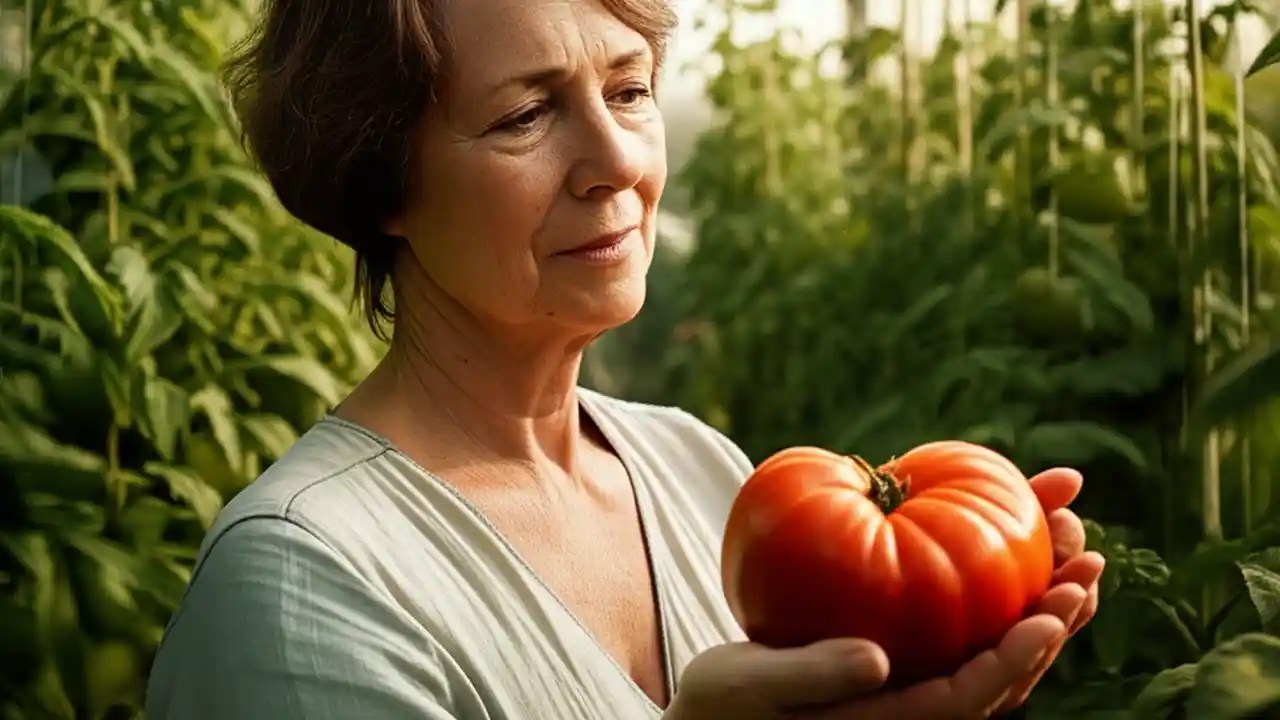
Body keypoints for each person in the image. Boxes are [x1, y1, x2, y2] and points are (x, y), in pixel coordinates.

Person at [144, 0, 1105, 717]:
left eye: (630, 90)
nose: (618, 161)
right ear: (378, 176)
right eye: (526, 115)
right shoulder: (301, 584)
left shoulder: (701, 472)